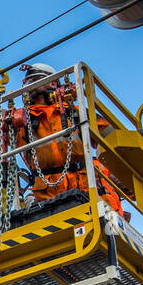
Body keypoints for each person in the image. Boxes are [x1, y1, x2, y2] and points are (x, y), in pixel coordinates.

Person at [18, 63, 124, 215]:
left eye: (36, 80)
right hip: (48, 199)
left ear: (54, 83)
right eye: (28, 82)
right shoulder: (20, 121)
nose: (30, 85)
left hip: (89, 192)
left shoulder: (76, 113)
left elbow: (117, 140)